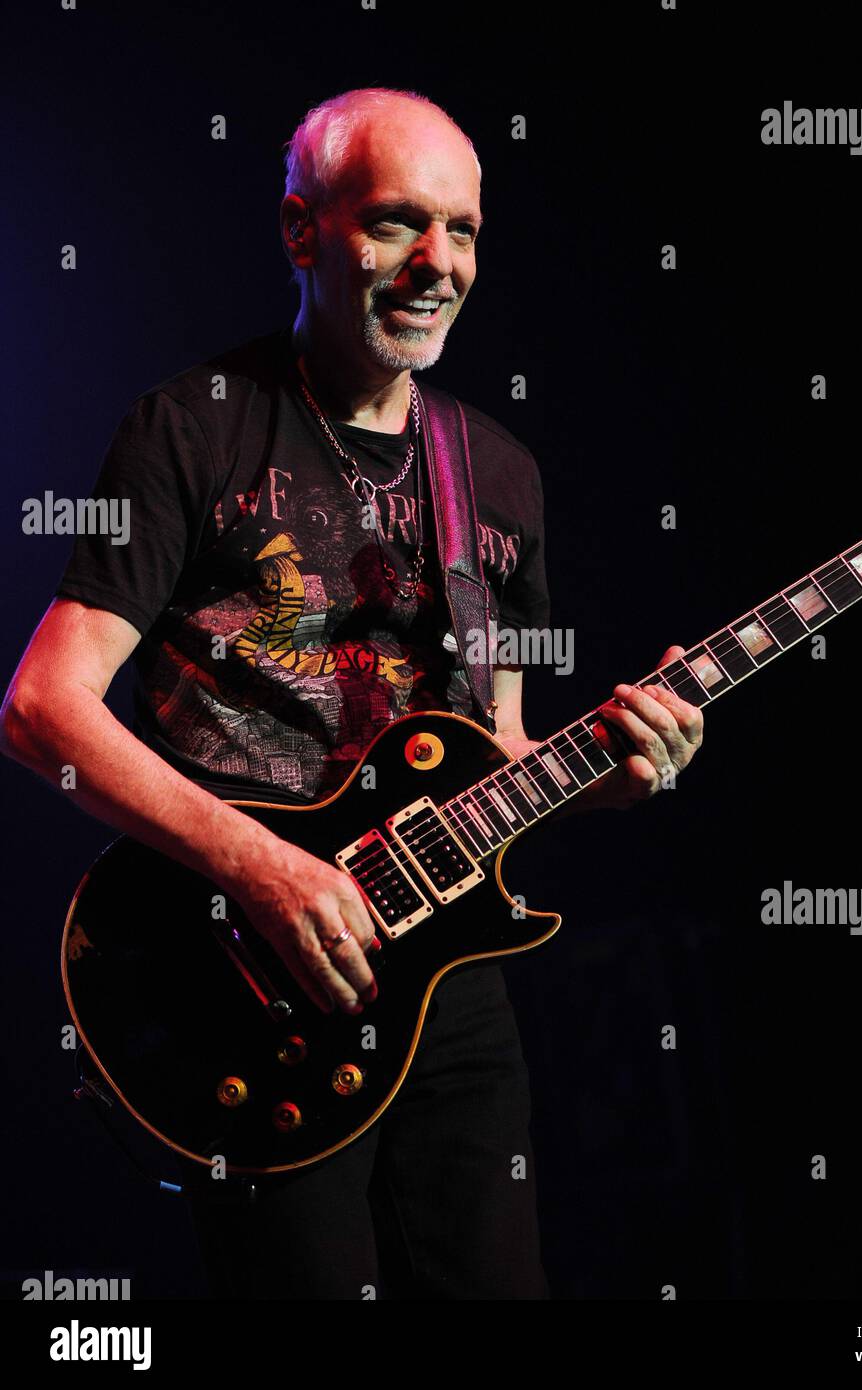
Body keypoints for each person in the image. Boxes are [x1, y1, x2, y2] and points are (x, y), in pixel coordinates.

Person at [0, 87, 704, 1299]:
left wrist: (612, 774)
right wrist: (265, 868)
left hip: (449, 992)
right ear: (300, 231)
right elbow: (42, 711)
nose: (438, 264)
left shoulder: (499, 472)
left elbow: (499, 754)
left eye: (465, 230)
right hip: (242, 974)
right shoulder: (190, 430)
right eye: (396, 222)